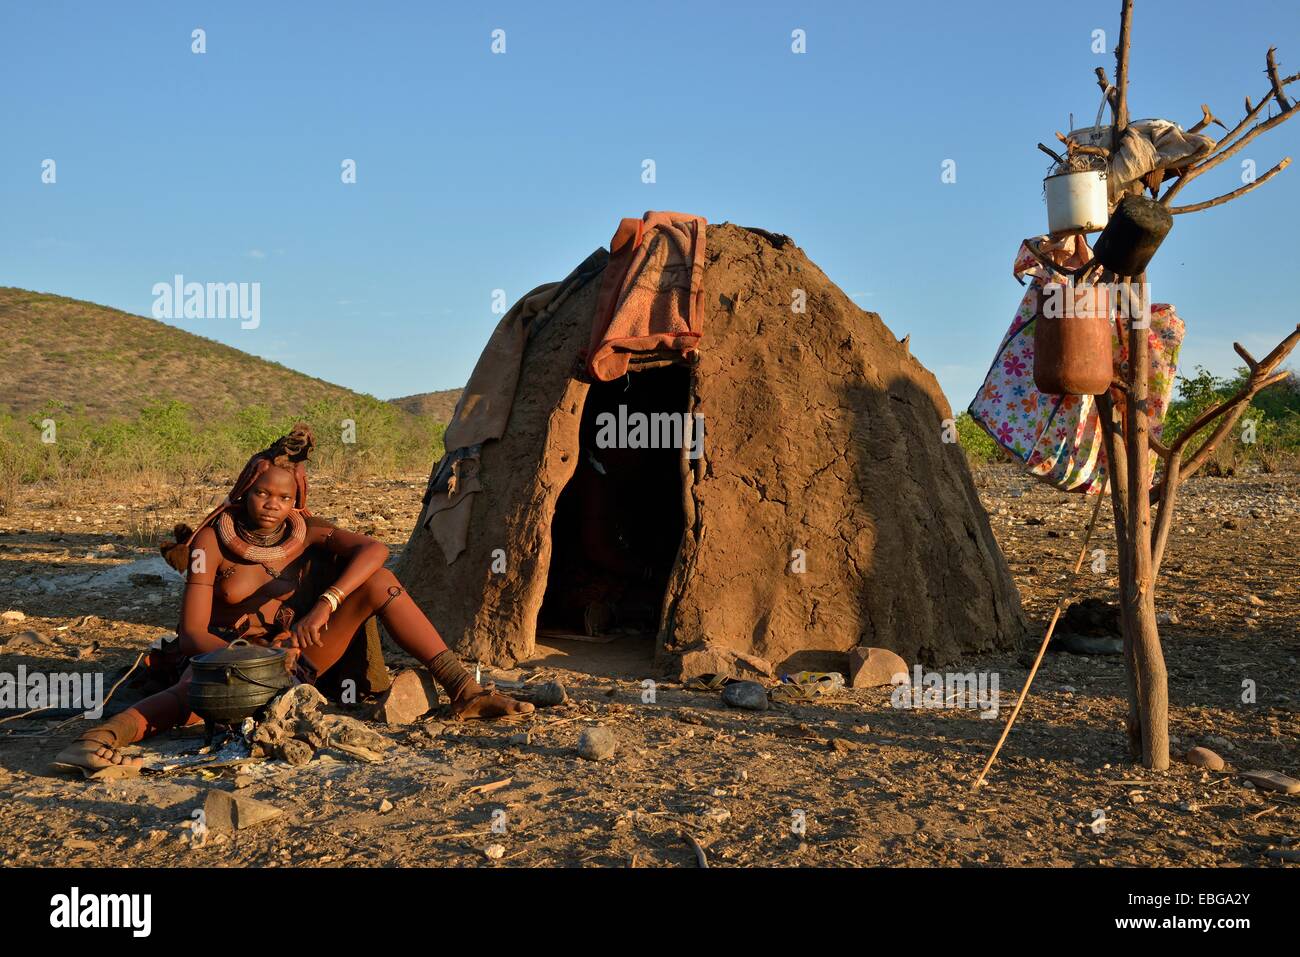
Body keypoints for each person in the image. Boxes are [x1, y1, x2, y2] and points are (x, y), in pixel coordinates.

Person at [53, 425, 531, 774]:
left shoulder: (309, 532)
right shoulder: (209, 543)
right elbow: (191, 632)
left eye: (283, 497)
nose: (271, 504)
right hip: (226, 657)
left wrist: (326, 603)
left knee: (379, 580)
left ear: (295, 500)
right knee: (191, 695)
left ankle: (465, 691)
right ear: (243, 492)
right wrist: (245, 658)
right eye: (262, 493)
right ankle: (99, 737)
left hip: (297, 655)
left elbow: (375, 550)